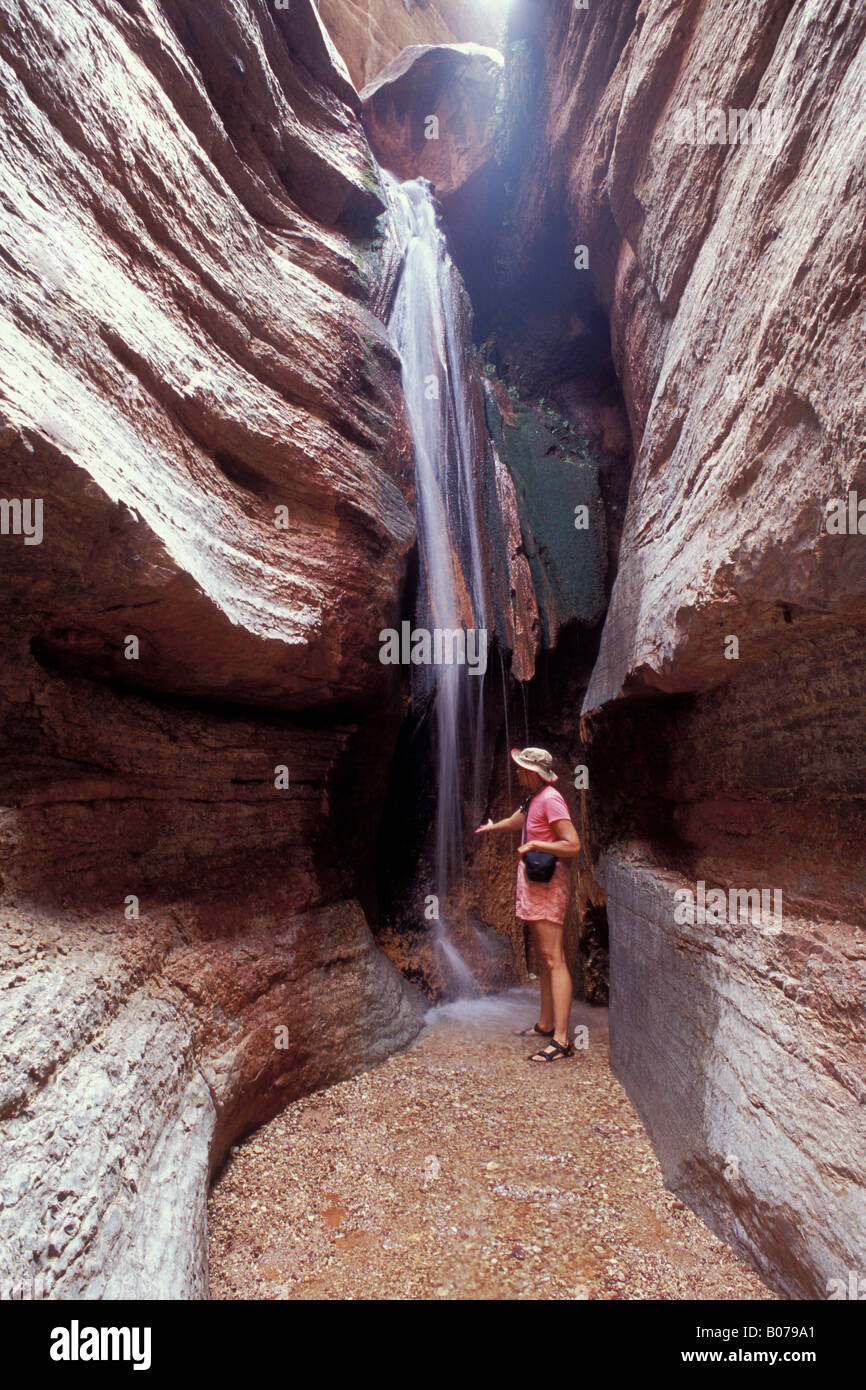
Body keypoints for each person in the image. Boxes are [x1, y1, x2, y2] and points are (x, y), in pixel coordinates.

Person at [475, 746, 580, 1062]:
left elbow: (572, 844)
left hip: (548, 883)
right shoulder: (534, 799)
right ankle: (546, 1024)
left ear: (535, 774)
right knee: (544, 957)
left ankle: (562, 1041)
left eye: (521, 770)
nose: (518, 774)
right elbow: (516, 821)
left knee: (554, 958)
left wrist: (536, 844)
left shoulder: (551, 799)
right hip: (534, 882)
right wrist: (493, 828)